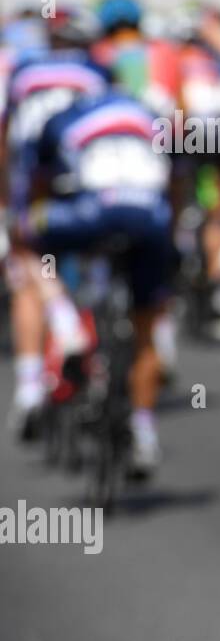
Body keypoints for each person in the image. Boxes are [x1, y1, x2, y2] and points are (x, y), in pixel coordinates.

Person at [22, 87, 175, 476]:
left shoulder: (62, 120)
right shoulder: (149, 115)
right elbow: (176, 181)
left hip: (93, 212)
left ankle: (65, 321)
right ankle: (144, 432)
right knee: (145, 331)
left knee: (24, 240)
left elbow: (41, 185)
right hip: (150, 219)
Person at [1, 5, 109, 437]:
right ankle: (98, 356)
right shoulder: (99, 75)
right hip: (95, 187)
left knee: (27, 268)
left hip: (40, 185)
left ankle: (29, 386)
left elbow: (7, 143)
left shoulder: (25, 76)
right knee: (94, 261)